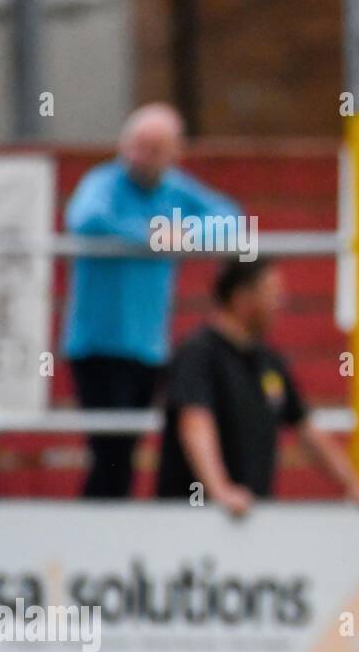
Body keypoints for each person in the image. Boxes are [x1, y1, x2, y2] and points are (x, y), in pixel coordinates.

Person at [157, 258, 359, 652]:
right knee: (205, 641)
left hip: (249, 526)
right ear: (240, 296)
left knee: (236, 637)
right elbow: (194, 421)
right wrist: (218, 489)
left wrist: (354, 487)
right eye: (272, 291)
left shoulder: (268, 362)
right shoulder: (198, 355)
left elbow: (307, 431)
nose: (281, 302)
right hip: (198, 524)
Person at [61, 103, 240, 497]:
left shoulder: (176, 189)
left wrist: (172, 235)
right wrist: (158, 235)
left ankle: (108, 536)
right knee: (110, 452)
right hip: (98, 344)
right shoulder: (104, 183)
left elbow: (231, 220)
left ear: (174, 153)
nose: (141, 156)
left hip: (147, 345)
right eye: (137, 145)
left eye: (155, 147)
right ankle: (97, 536)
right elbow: (86, 219)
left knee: (130, 450)